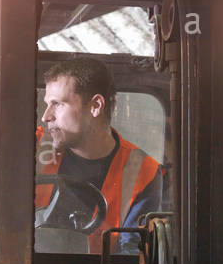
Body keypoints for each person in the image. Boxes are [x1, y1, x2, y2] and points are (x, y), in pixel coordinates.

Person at [36, 58, 163, 253]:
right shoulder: (31, 147)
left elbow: (131, 257)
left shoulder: (142, 171)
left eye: (57, 104)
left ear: (95, 105)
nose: (46, 116)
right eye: (47, 104)